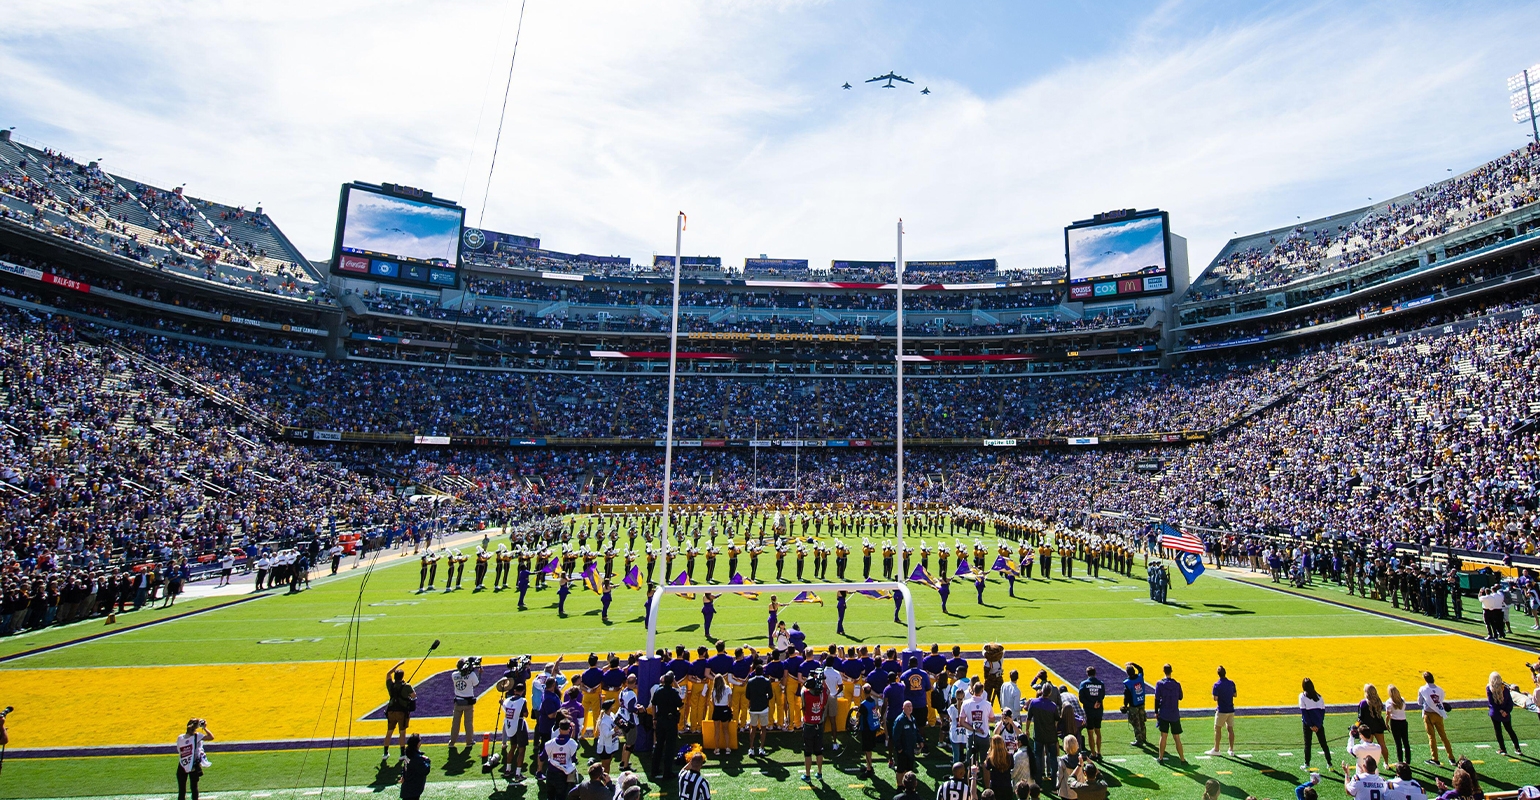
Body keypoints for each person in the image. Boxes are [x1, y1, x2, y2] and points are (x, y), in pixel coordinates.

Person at [1416, 671, 1454, 766]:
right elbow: (1440, 701)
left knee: (1431, 737)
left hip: (1428, 714)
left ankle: (1435, 758)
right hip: (1439, 713)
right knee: (1443, 736)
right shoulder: (1440, 689)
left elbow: (1419, 702)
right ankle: (1451, 758)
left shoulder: (1423, 689)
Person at [648, 672, 683, 777]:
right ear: (672, 682)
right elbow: (680, 705)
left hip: (660, 720)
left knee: (659, 745)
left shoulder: (658, 691)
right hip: (670, 721)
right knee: (670, 746)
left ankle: (654, 770)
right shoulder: (673, 692)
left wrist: (654, 718)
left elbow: (654, 705)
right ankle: (667, 771)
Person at [383, 661, 416, 764]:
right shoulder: (407, 686)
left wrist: (398, 665)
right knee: (402, 732)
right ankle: (402, 754)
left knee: (389, 732)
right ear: (402, 676)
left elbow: (388, 674)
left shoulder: (391, 685)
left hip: (391, 711)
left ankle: (385, 752)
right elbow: (414, 695)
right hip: (402, 712)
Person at [540, 719, 580, 800]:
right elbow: (574, 759)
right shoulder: (572, 744)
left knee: (550, 797)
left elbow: (541, 757)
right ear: (569, 729)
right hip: (563, 774)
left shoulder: (549, 743)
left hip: (551, 773)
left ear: (559, 729)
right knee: (561, 797)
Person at [802, 669, 830, 782]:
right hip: (819, 724)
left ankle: (808, 775)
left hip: (808, 725)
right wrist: (821, 680)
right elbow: (827, 690)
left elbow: (804, 690)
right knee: (819, 751)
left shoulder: (805, 694)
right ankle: (819, 773)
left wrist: (812, 678)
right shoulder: (823, 694)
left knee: (808, 752)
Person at [1486, 671, 1523, 756]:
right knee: (1510, 730)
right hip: (1505, 714)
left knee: (1498, 731)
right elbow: (1510, 702)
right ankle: (1517, 748)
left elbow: (1491, 703)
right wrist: (1506, 711)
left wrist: (1500, 711)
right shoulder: (1505, 689)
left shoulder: (1489, 688)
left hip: (1495, 713)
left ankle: (1503, 749)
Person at [1153, 663, 1183, 764]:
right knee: (1177, 737)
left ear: (1163, 671)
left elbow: (1156, 699)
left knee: (1163, 736)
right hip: (1174, 713)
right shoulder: (1177, 684)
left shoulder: (1160, 684)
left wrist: (1156, 712)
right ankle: (1182, 758)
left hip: (1164, 713)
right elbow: (1180, 697)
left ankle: (1160, 758)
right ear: (1171, 671)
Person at [176, 718, 213, 800]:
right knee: (194, 788)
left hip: (182, 764)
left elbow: (179, 750)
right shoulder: (197, 736)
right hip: (193, 764)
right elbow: (211, 737)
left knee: (182, 790)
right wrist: (205, 728)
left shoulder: (180, 737)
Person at [449, 657, 481, 752]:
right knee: (468, 723)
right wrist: (479, 673)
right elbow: (476, 684)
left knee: (455, 723)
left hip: (458, 702)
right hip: (468, 703)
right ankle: (469, 741)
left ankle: (452, 742)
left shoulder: (454, 675)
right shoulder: (471, 675)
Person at [1300, 678, 1330, 770]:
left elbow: (1304, 713)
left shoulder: (1302, 696)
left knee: (1308, 744)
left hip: (1308, 724)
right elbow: (1322, 712)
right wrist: (1318, 724)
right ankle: (1330, 763)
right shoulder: (1320, 697)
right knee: (1324, 744)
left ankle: (1307, 764)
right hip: (1318, 724)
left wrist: (1310, 725)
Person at [1208, 665, 1236, 757]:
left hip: (1222, 710)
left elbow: (1215, 698)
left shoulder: (1217, 685)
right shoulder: (1231, 683)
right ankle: (1231, 749)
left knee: (1217, 728)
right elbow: (1235, 694)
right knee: (1230, 729)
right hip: (1230, 709)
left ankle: (1216, 749)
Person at [1078, 666, 1105, 759]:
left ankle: (1093, 753)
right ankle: (1099, 752)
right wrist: (1097, 703)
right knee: (1098, 730)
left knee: (1090, 732)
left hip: (1089, 711)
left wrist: (1091, 705)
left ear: (1087, 673)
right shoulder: (1101, 684)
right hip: (1098, 710)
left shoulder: (1084, 684)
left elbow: (1081, 698)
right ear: (1095, 673)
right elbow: (1102, 695)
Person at [1358, 684, 1390, 764]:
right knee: (1382, 744)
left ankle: (1369, 764)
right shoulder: (1378, 701)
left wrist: (1356, 725)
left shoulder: (1363, 703)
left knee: (1368, 746)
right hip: (1378, 725)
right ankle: (1386, 763)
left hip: (1368, 727)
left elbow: (1360, 717)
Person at [856, 684, 882, 779]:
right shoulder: (872, 701)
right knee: (869, 748)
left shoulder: (864, 704)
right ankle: (869, 765)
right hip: (873, 728)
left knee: (867, 749)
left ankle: (869, 769)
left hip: (867, 728)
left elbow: (858, 715)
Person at [891, 700, 922, 777]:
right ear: (903, 708)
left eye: (911, 706)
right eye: (907, 706)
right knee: (901, 769)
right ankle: (900, 786)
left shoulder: (912, 719)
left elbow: (916, 731)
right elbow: (895, 735)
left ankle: (907, 785)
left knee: (909, 769)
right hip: (903, 750)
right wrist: (899, 748)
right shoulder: (900, 720)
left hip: (910, 749)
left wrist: (920, 740)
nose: (910, 708)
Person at [398, 733, 430, 800]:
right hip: (413, 790)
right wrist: (427, 760)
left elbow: (404, 767)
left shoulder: (408, 753)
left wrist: (403, 776)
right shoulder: (416, 758)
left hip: (408, 788)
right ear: (417, 744)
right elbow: (425, 770)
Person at [1386, 684, 1412, 766]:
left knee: (1398, 743)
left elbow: (1388, 715)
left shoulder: (1389, 702)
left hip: (1395, 722)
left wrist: (1386, 723)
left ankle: (1400, 760)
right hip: (1403, 722)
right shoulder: (1402, 700)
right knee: (1405, 741)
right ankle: (1408, 760)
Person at [1122, 662, 1147, 748]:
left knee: (1136, 723)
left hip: (1133, 705)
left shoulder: (1128, 683)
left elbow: (1127, 696)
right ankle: (1143, 737)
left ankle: (1139, 739)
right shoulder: (1140, 677)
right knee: (1142, 721)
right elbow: (1141, 669)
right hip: (1141, 702)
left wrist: (1125, 705)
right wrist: (1133, 663)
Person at [709, 674, 733, 757]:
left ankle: (717, 748)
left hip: (717, 709)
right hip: (725, 709)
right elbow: (730, 701)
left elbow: (712, 702)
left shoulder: (714, 690)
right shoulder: (728, 688)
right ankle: (727, 748)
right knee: (726, 730)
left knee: (717, 730)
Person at [986, 735, 1014, 799]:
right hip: (1007, 785)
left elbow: (987, 767)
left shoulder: (991, 758)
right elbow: (1012, 766)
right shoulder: (1009, 756)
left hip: (995, 786)